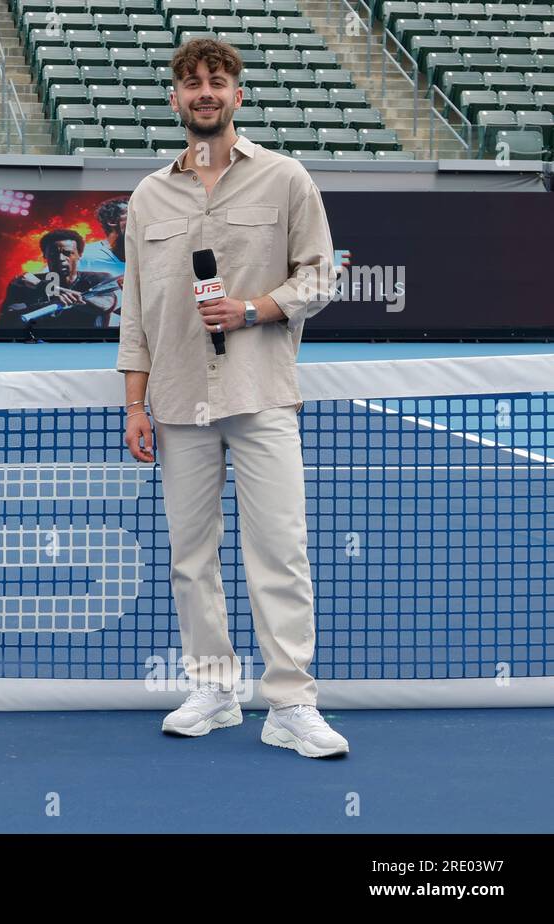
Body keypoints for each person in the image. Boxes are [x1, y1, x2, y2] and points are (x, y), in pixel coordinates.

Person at [117, 39, 348, 757]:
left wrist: (253, 310)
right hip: (179, 405)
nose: (204, 93)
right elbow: (135, 310)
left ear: (238, 95)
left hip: (262, 399)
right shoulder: (149, 196)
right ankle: (215, 691)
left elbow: (320, 278)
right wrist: (134, 404)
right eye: (192, 84)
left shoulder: (286, 179)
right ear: (176, 100)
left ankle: (290, 704)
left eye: (217, 82)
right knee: (192, 558)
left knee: (279, 552)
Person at [0, 229, 115, 329]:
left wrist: (44, 287)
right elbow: (7, 322)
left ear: (79, 254)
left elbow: (105, 306)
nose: (60, 258)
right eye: (54, 253)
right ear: (45, 255)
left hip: (88, 346)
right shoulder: (24, 284)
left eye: (67, 253)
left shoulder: (99, 278)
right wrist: (48, 303)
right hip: (42, 346)